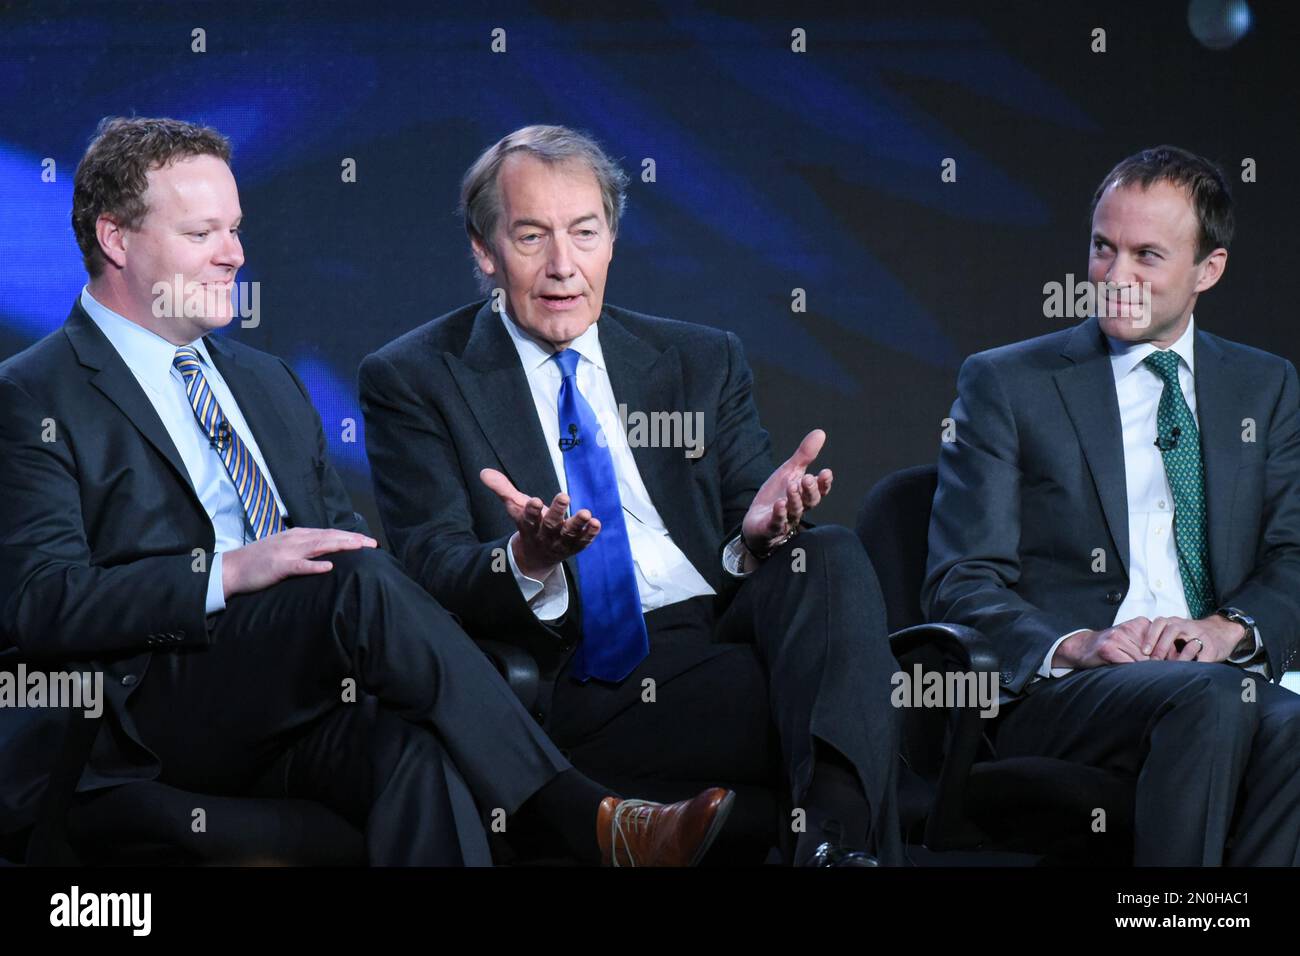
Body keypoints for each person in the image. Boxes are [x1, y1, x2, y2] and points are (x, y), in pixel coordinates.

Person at [0, 116, 731, 867]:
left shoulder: (265, 382)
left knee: (413, 749)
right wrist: (227, 574)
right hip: (154, 707)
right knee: (351, 580)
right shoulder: (33, 395)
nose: (235, 254)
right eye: (202, 234)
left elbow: (345, 541)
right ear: (117, 239)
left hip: (298, 694)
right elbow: (41, 601)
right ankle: (585, 816)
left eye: (236, 228)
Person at [359, 124, 902, 866]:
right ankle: (843, 839)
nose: (563, 266)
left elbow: (749, 530)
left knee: (828, 553)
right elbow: (429, 568)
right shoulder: (415, 377)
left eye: (585, 233)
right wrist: (528, 558)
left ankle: (834, 847)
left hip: (716, 631)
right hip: (580, 671)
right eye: (530, 237)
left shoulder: (699, 359)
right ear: (484, 252)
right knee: (851, 708)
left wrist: (754, 537)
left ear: (612, 239)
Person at [924, 145, 1300, 865]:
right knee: (1211, 702)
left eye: (1147, 257)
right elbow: (960, 579)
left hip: (1215, 675)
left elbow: (1292, 556)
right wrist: (1075, 645)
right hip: (1069, 692)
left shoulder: (1264, 386)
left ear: (1207, 271)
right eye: (1103, 248)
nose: (1114, 278)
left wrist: (1227, 631)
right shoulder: (1008, 383)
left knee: (1282, 725)